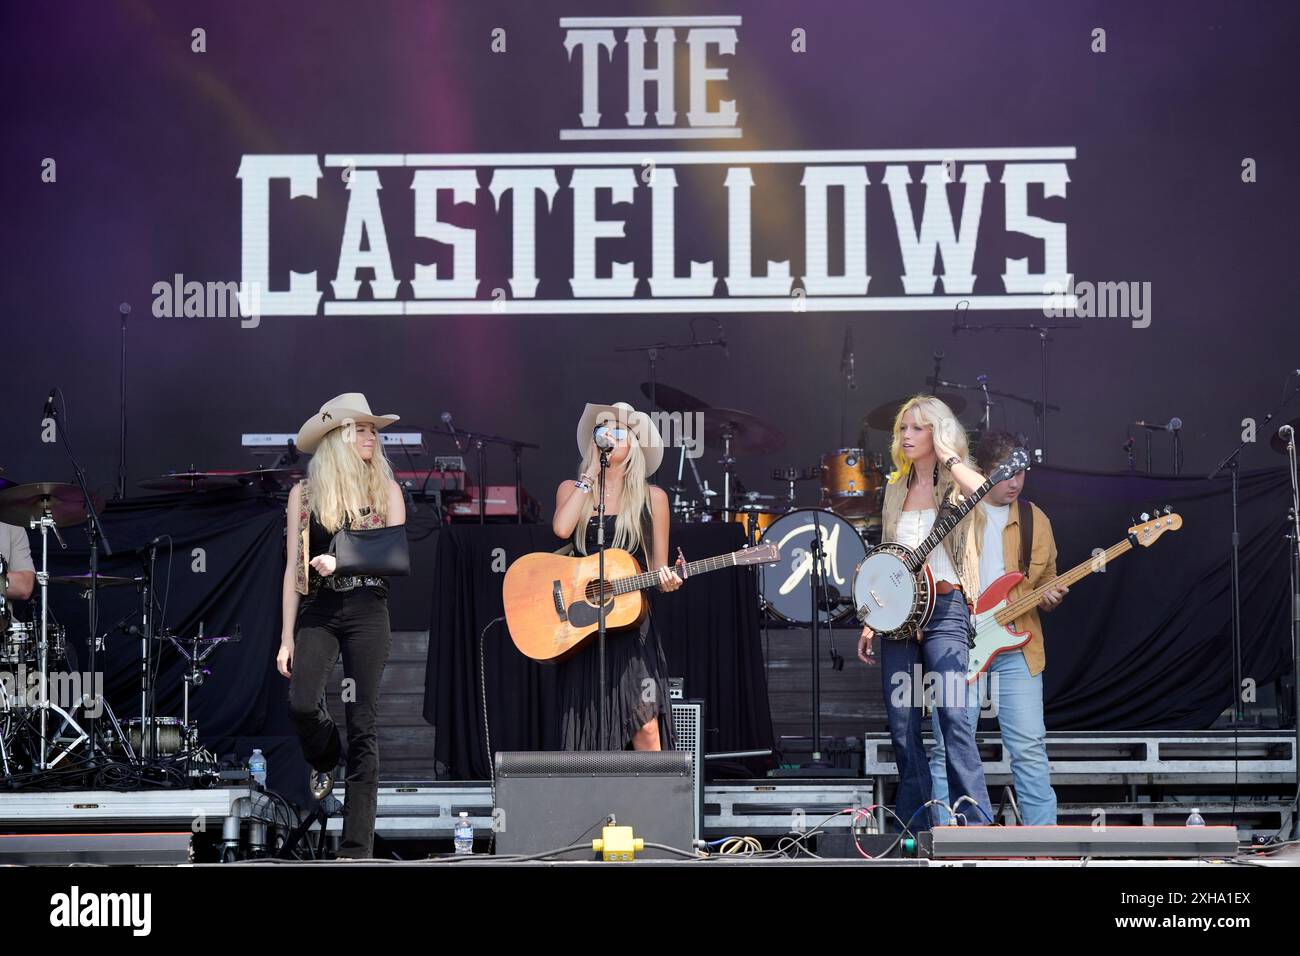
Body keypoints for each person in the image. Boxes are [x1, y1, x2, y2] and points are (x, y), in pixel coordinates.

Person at [857, 395, 994, 829]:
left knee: (953, 717)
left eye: (919, 428)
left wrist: (950, 455)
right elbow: (890, 558)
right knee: (902, 727)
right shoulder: (895, 488)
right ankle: (913, 826)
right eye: (903, 429)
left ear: (939, 432)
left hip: (947, 609)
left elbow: (982, 491)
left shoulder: (956, 484)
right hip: (898, 616)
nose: (907, 436)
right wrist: (870, 617)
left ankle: (974, 825)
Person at [278, 392, 405, 859]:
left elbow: (394, 555)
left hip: (368, 608)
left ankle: (356, 849)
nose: (371, 435)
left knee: (363, 723)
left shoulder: (386, 490)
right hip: (320, 610)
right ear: (338, 437)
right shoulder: (305, 495)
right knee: (302, 702)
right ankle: (325, 757)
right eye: (361, 428)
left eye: (374, 429)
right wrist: (286, 637)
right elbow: (294, 569)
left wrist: (342, 560)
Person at [929, 429, 1066, 825]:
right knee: (948, 748)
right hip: (959, 643)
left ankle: (1045, 847)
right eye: (1006, 473)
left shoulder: (1034, 518)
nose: (1016, 482)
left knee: (1028, 747)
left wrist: (1051, 595)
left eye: (1021, 473)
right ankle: (945, 838)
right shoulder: (955, 512)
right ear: (982, 471)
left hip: (1018, 648)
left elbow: (1049, 577)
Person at [550, 402, 681, 751]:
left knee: (646, 724)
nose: (609, 435)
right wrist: (590, 474)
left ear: (633, 443)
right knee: (586, 728)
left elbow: (657, 568)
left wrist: (668, 579)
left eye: (618, 431)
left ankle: (653, 805)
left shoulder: (653, 498)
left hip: (630, 623)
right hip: (580, 623)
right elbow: (562, 529)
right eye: (603, 429)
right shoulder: (572, 488)